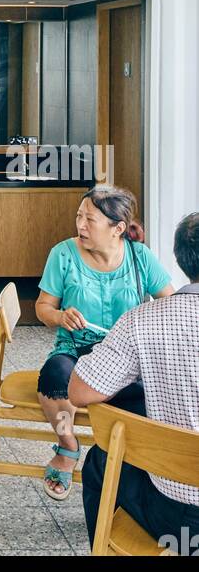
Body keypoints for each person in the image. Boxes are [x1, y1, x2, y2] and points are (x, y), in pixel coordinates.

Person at [68, 213, 199, 553]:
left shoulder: (143, 322)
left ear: (181, 260)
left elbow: (79, 391)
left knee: (100, 460)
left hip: (177, 517)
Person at [34, 187, 174, 502]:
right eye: (79, 217)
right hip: (76, 351)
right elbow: (42, 308)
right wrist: (59, 316)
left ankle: (137, 467)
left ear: (118, 229)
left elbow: (171, 305)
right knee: (55, 377)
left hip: (127, 356)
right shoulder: (63, 254)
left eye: (90, 220)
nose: (80, 226)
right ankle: (68, 447)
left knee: (150, 394)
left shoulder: (140, 258)